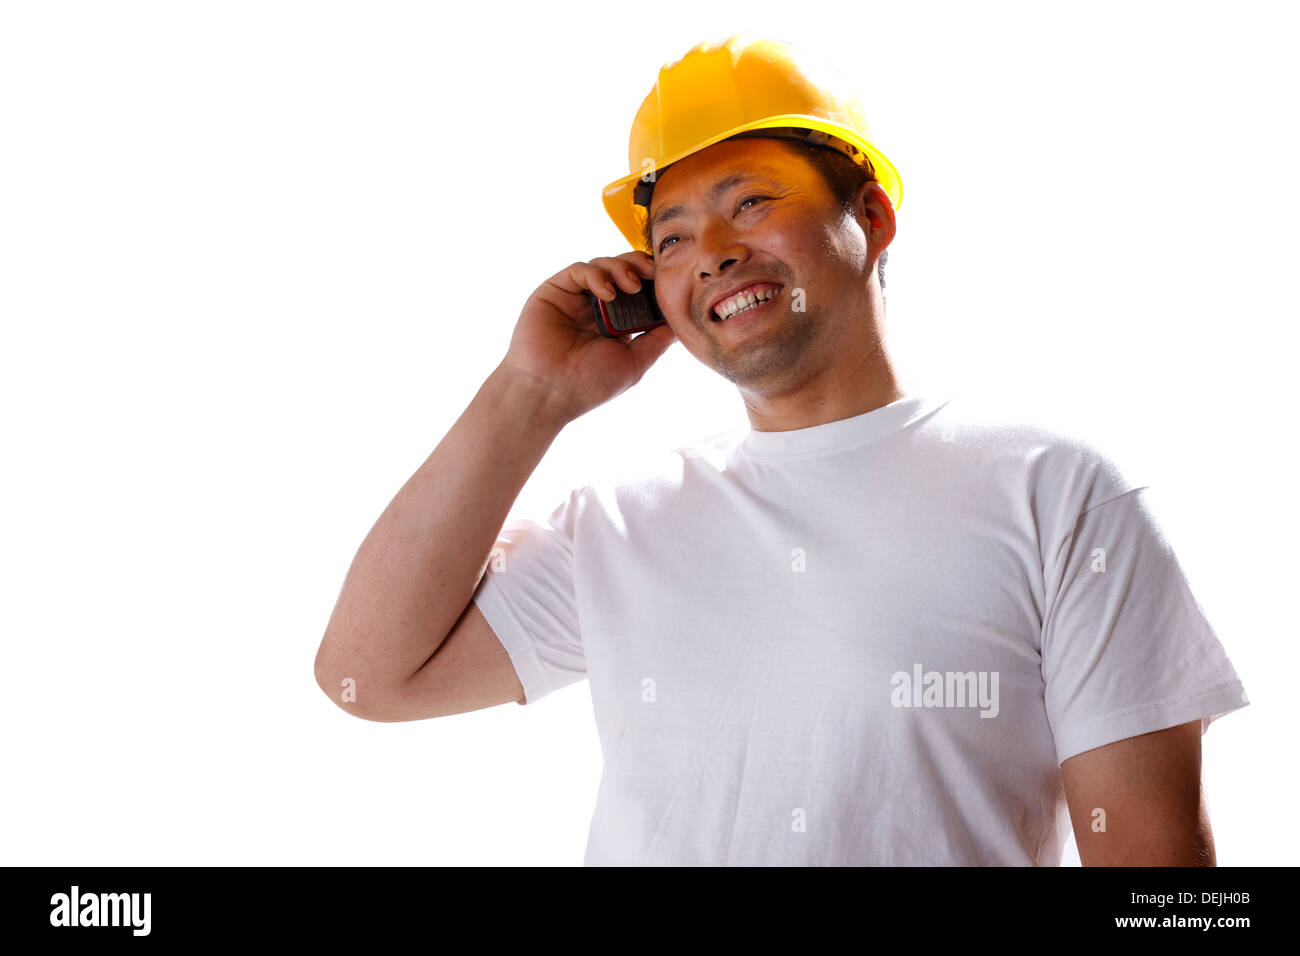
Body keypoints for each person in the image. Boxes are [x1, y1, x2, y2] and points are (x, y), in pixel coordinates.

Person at [313, 35, 1248, 866]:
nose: (711, 253)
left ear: (872, 216)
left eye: (751, 202)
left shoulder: (1057, 495)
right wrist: (532, 395)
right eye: (669, 238)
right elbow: (368, 675)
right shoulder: (620, 525)